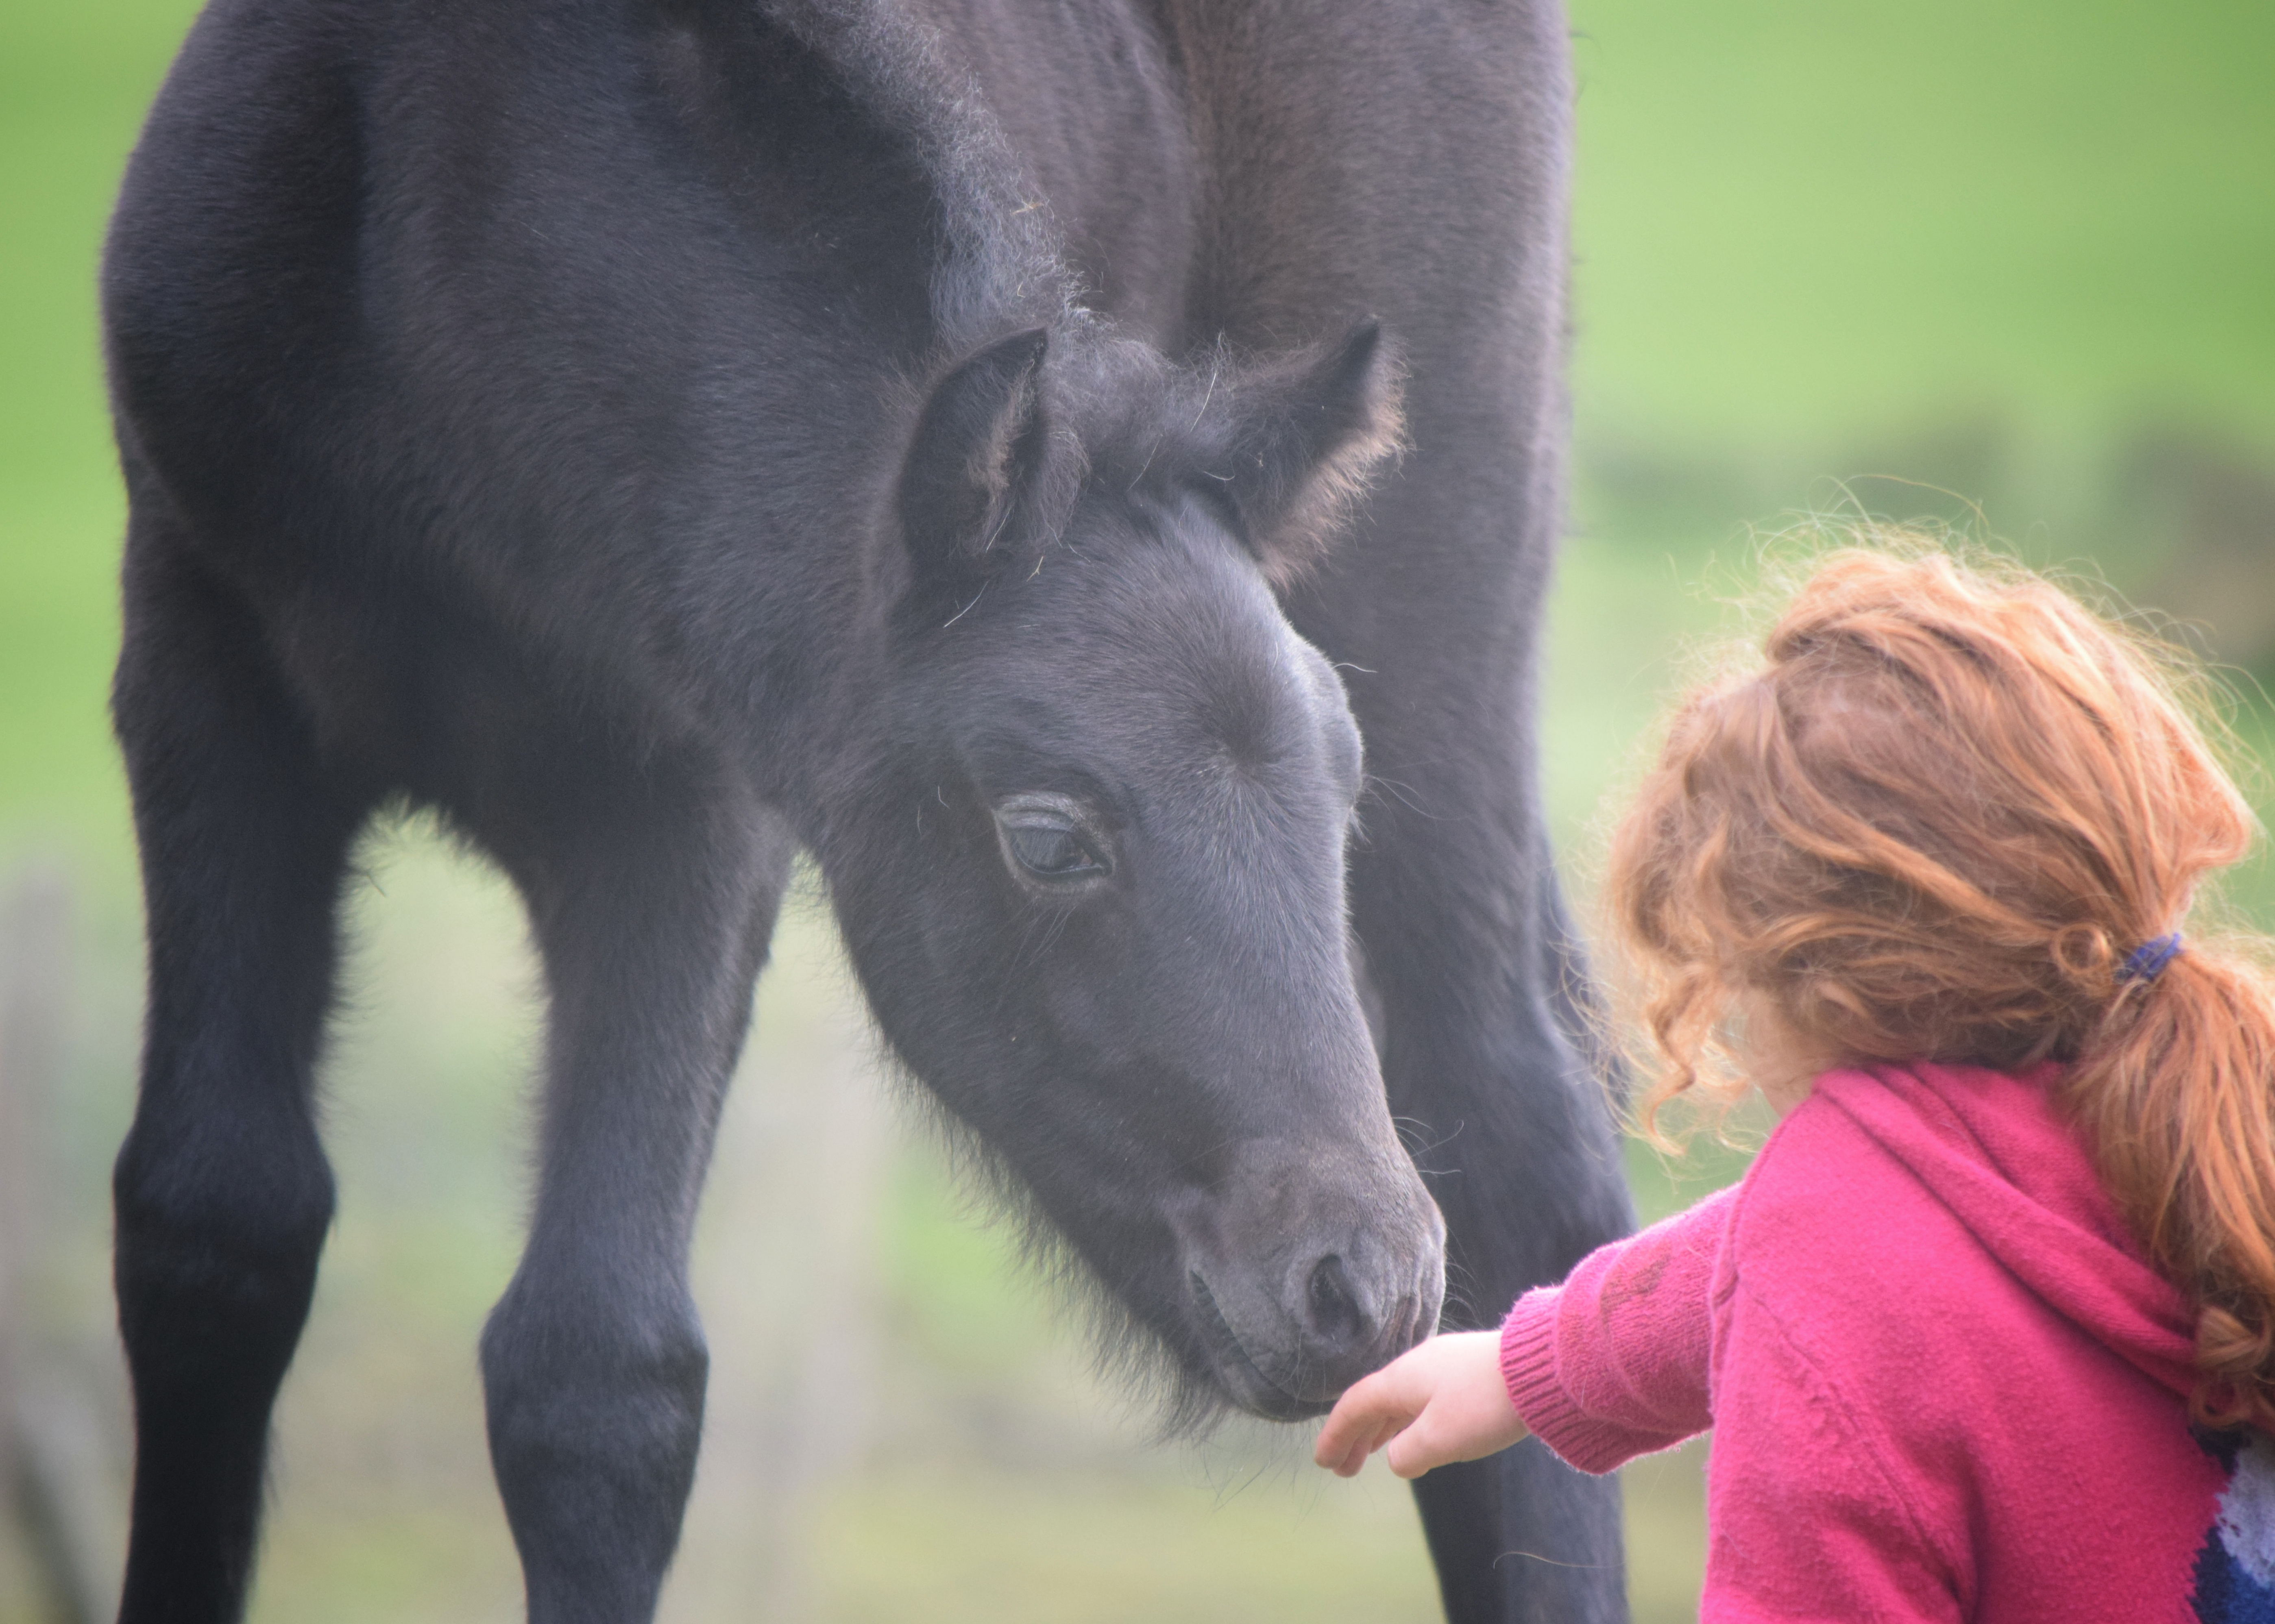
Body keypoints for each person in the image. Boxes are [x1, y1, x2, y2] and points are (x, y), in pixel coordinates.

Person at [1315, 544, 2275, 1621]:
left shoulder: (1842, 1278)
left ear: (1802, 981)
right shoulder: (2207, 1111)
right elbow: (1795, 1240)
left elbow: (1823, 1250)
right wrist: (1528, 1363)